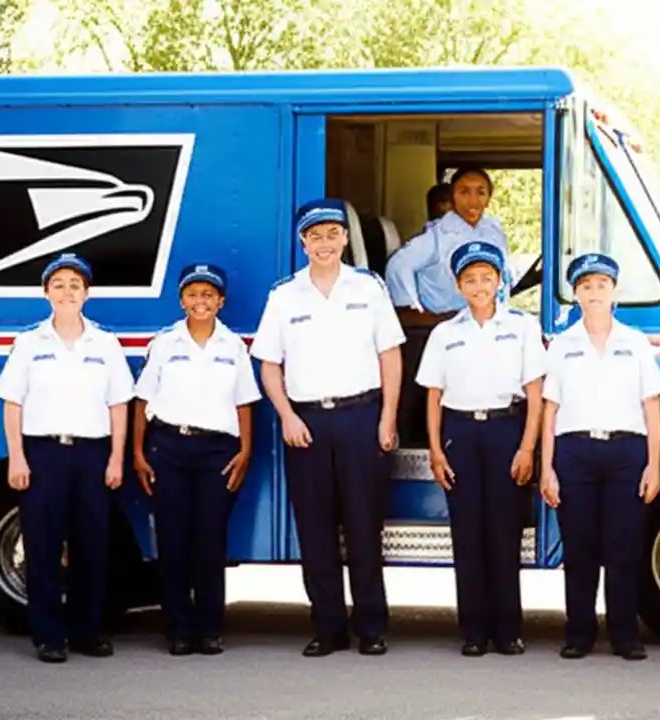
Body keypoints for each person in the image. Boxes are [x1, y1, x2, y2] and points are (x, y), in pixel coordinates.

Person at [251, 198, 406, 657]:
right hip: (308, 422)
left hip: (362, 417)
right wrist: (286, 415)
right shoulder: (284, 295)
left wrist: (388, 418)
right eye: (314, 236)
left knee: (363, 526)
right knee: (315, 530)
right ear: (302, 243)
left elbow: (390, 356)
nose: (324, 243)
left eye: (331, 234)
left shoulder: (368, 289)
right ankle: (328, 627)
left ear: (344, 238)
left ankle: (372, 627)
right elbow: (268, 364)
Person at [0, 253, 134, 664]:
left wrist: (116, 459)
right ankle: (49, 635)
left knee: (93, 545)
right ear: (46, 293)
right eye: (59, 284)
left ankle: (88, 631)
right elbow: (12, 403)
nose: (67, 291)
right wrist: (17, 458)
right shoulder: (29, 343)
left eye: (75, 285)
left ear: (87, 293)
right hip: (43, 453)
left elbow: (119, 404)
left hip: (92, 454)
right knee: (43, 546)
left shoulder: (105, 344)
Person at [415, 240, 545, 657]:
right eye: (470, 279)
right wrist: (436, 450)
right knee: (467, 533)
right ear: (458, 285)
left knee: (504, 533)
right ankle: (473, 630)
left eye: (486, 277)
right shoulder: (445, 333)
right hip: (461, 434)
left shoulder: (522, 327)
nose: (479, 285)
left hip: (507, 429)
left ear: (500, 280)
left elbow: (535, 392)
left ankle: (508, 629)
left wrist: (528, 447)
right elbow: (432, 396)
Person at [539, 252, 660, 661]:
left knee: (623, 546)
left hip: (627, 452)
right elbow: (549, 409)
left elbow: (652, 406)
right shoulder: (561, 345)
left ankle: (625, 633)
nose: (594, 293)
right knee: (580, 547)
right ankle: (579, 632)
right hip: (575, 452)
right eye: (586, 286)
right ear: (575, 294)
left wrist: (653, 465)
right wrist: (547, 470)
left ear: (614, 291)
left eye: (602, 285)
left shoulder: (635, 343)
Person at [132, 262, 260, 657]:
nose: (200, 301)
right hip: (169, 447)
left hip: (217, 452)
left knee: (210, 540)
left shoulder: (233, 346)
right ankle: (178, 629)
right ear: (181, 300)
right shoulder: (165, 343)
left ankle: (209, 628)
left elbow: (244, 403)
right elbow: (142, 401)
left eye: (208, 295)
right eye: (192, 294)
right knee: (173, 540)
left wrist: (245, 451)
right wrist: (137, 453)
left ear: (220, 302)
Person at [385, 167, 513, 317]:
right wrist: (413, 310)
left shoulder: (494, 231)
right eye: (464, 192)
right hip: (447, 320)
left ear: (489, 199)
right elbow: (399, 265)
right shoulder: (438, 235)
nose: (473, 200)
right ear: (453, 198)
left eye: (481, 193)